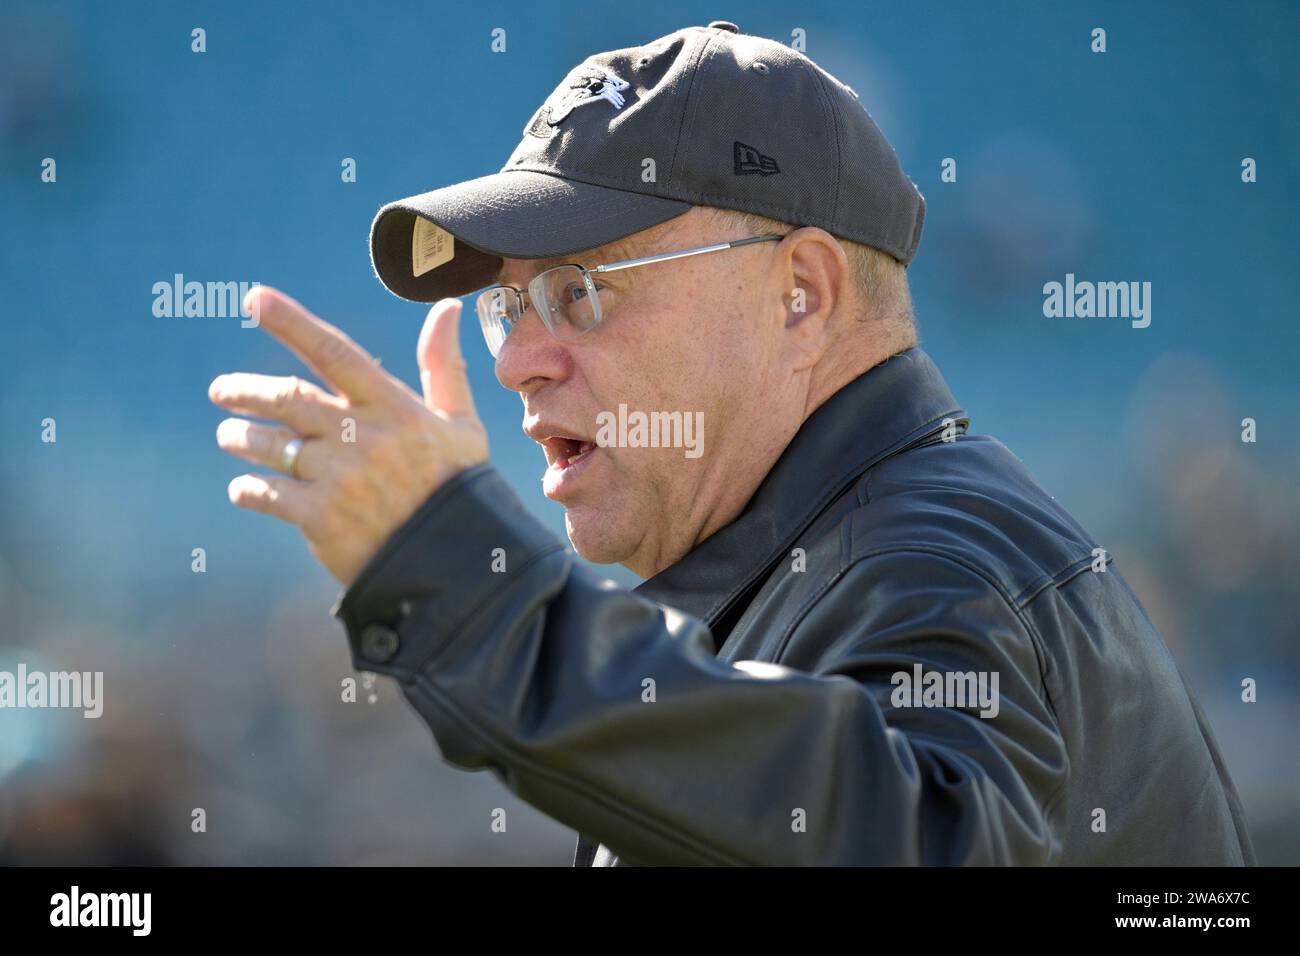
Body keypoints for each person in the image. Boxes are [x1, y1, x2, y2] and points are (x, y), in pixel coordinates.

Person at [209, 22, 1254, 865]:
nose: (518, 358)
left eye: (581, 290)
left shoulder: (931, 557)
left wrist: (480, 605)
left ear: (802, 293)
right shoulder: (821, 550)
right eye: (505, 307)